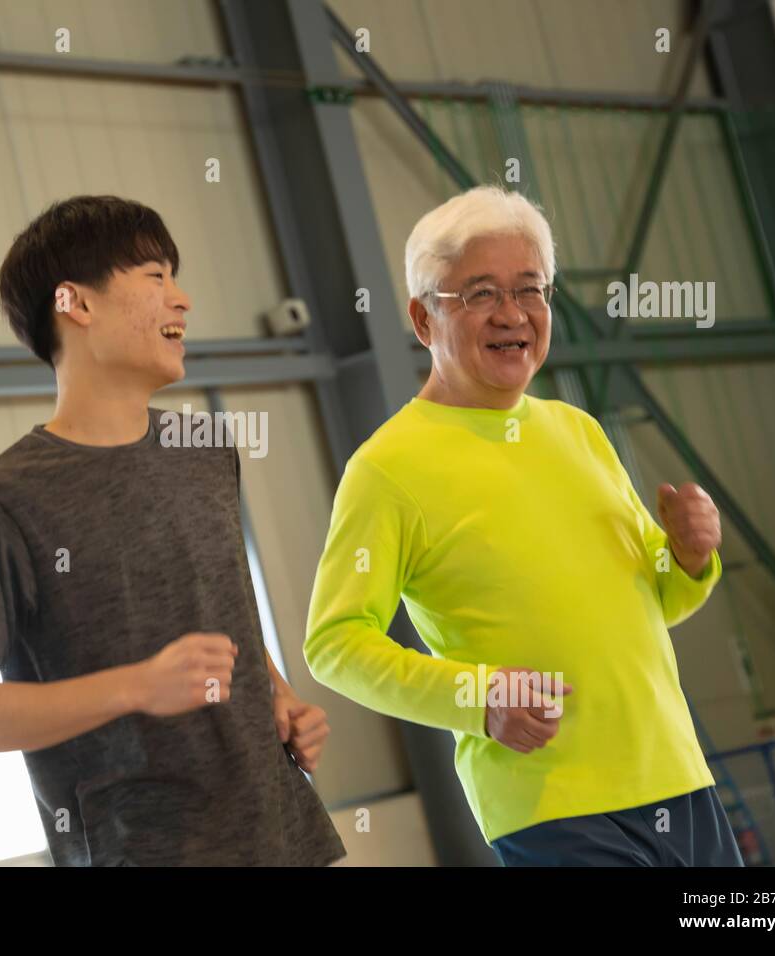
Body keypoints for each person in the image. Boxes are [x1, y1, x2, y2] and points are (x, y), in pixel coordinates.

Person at [304, 185, 740, 867]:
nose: (513, 314)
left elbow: (656, 603)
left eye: (531, 290)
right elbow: (334, 645)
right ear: (423, 319)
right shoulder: (387, 469)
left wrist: (685, 557)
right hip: (550, 805)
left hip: (679, 778)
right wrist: (477, 698)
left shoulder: (579, 431)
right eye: (480, 293)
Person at [0, 195, 346, 867]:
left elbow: (219, 608)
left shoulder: (206, 446)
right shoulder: (0, 501)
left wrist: (280, 695)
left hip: (285, 836)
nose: (181, 300)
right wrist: (136, 686)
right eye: (155, 276)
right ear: (76, 304)